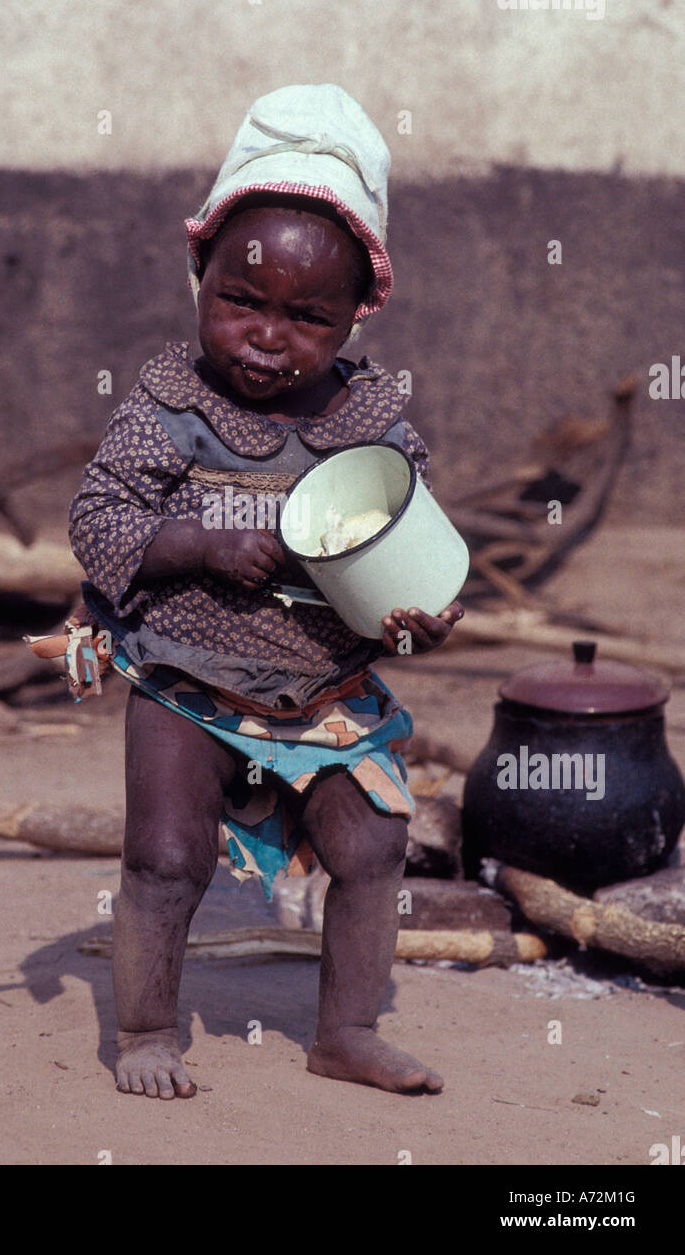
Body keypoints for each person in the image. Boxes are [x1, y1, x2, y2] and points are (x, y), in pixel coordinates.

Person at [66, 84, 464, 1100]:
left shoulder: (370, 424)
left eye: (306, 317)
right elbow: (98, 519)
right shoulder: (167, 407)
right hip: (187, 680)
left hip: (325, 691)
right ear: (197, 273)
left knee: (372, 843)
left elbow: (408, 558)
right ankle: (149, 1029)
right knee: (164, 853)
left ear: (355, 314)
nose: (266, 336)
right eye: (240, 301)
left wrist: (419, 619)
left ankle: (346, 1030)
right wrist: (197, 540)